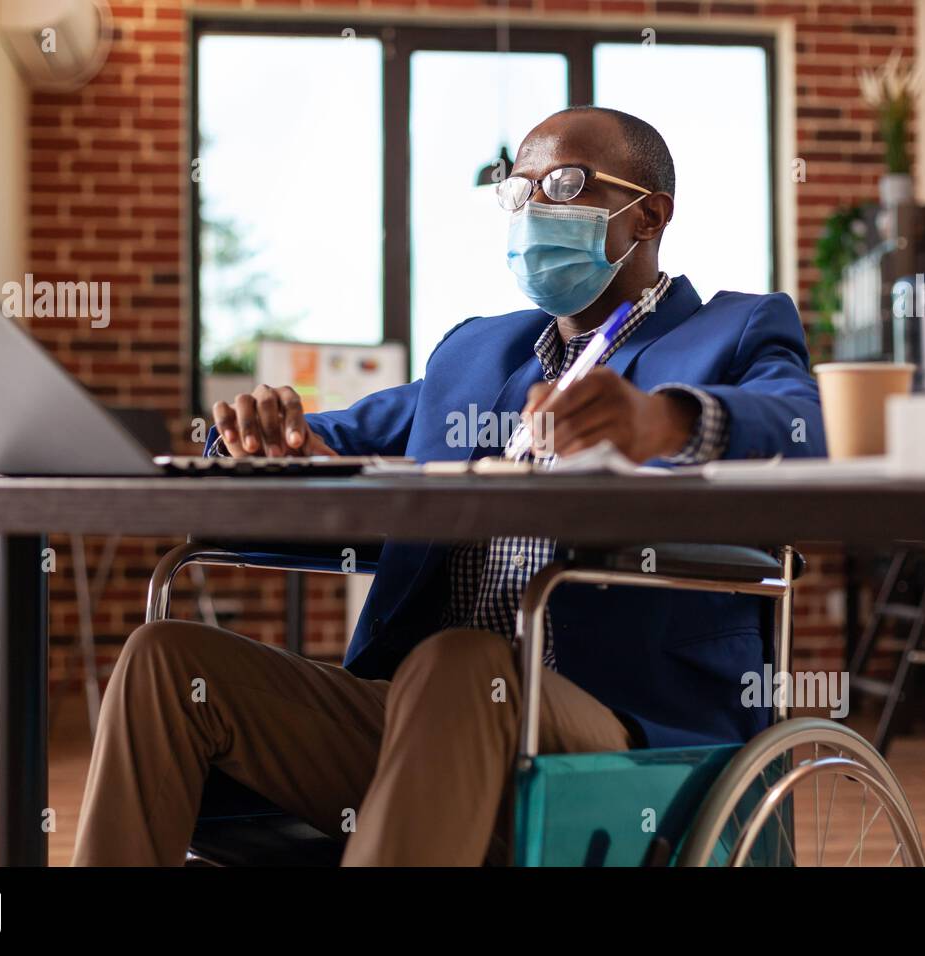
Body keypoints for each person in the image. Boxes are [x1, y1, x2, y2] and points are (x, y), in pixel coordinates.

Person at [73, 106, 825, 866]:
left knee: (462, 660)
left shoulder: (731, 332)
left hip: (615, 729)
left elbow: (804, 427)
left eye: (563, 184)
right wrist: (261, 439)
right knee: (165, 660)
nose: (534, 207)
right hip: (415, 721)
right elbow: (337, 436)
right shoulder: (477, 354)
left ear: (649, 215)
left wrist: (663, 423)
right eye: (518, 188)